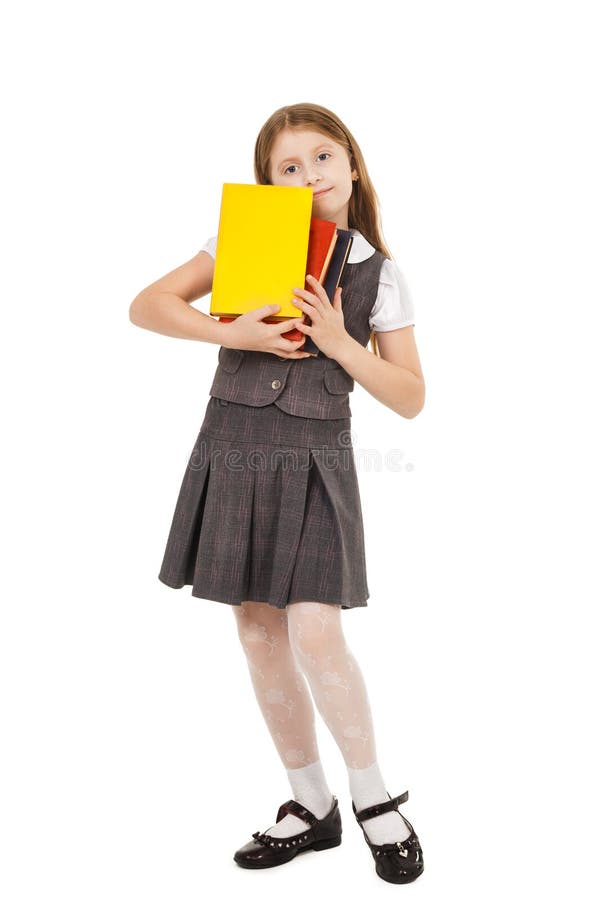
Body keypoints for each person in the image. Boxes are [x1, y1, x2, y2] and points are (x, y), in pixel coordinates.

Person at [129, 102, 426, 884]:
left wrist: (334, 340)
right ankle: (310, 804)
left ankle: (373, 799)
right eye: (287, 168)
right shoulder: (241, 241)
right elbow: (147, 305)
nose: (309, 175)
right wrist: (233, 331)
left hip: (315, 457)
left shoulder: (377, 271)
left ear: (352, 167)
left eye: (322, 158)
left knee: (317, 632)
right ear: (269, 183)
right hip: (232, 449)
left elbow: (410, 395)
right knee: (258, 635)